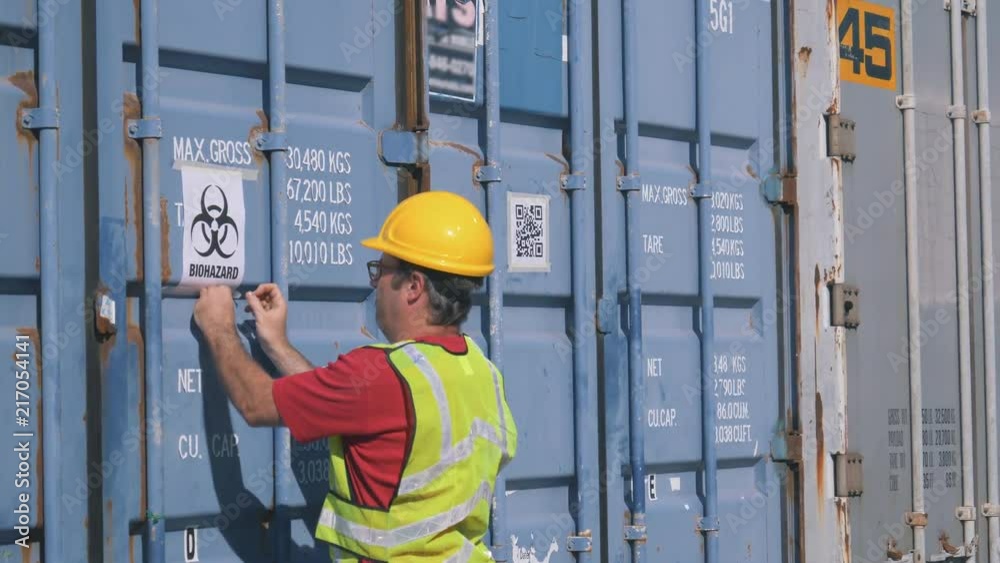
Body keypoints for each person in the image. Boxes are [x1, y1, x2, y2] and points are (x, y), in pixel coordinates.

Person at [192, 190, 518, 562]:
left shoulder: (381, 374)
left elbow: (254, 404)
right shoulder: (481, 371)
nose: (375, 283)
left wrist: (219, 327)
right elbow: (358, 408)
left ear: (414, 286)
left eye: (381, 270)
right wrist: (278, 347)